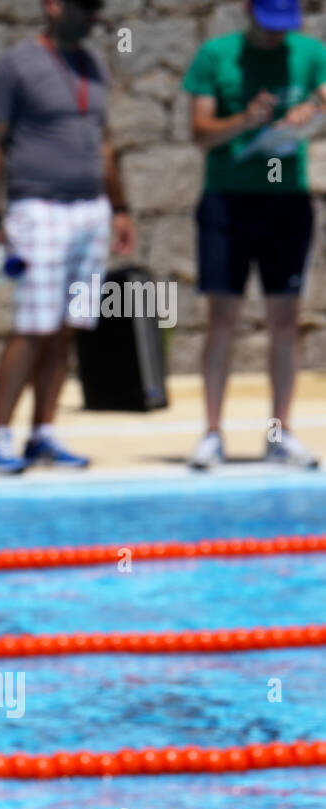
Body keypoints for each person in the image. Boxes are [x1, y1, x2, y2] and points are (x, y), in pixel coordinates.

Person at [0, 0, 135, 474]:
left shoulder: (92, 65)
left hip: (91, 210)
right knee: (32, 326)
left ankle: (42, 432)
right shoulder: (16, 64)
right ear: (52, 5)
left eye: (95, 8)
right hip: (38, 209)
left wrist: (120, 206)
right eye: (82, 6)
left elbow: (102, 141)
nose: (90, 16)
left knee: (67, 329)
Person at [182, 0, 326, 470]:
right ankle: (212, 433)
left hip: (286, 202)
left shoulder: (309, 54)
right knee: (222, 319)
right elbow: (199, 132)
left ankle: (279, 432)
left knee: (285, 321)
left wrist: (311, 111)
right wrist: (246, 121)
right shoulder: (216, 56)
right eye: (269, 26)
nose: (276, 37)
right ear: (248, 11)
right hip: (228, 200)